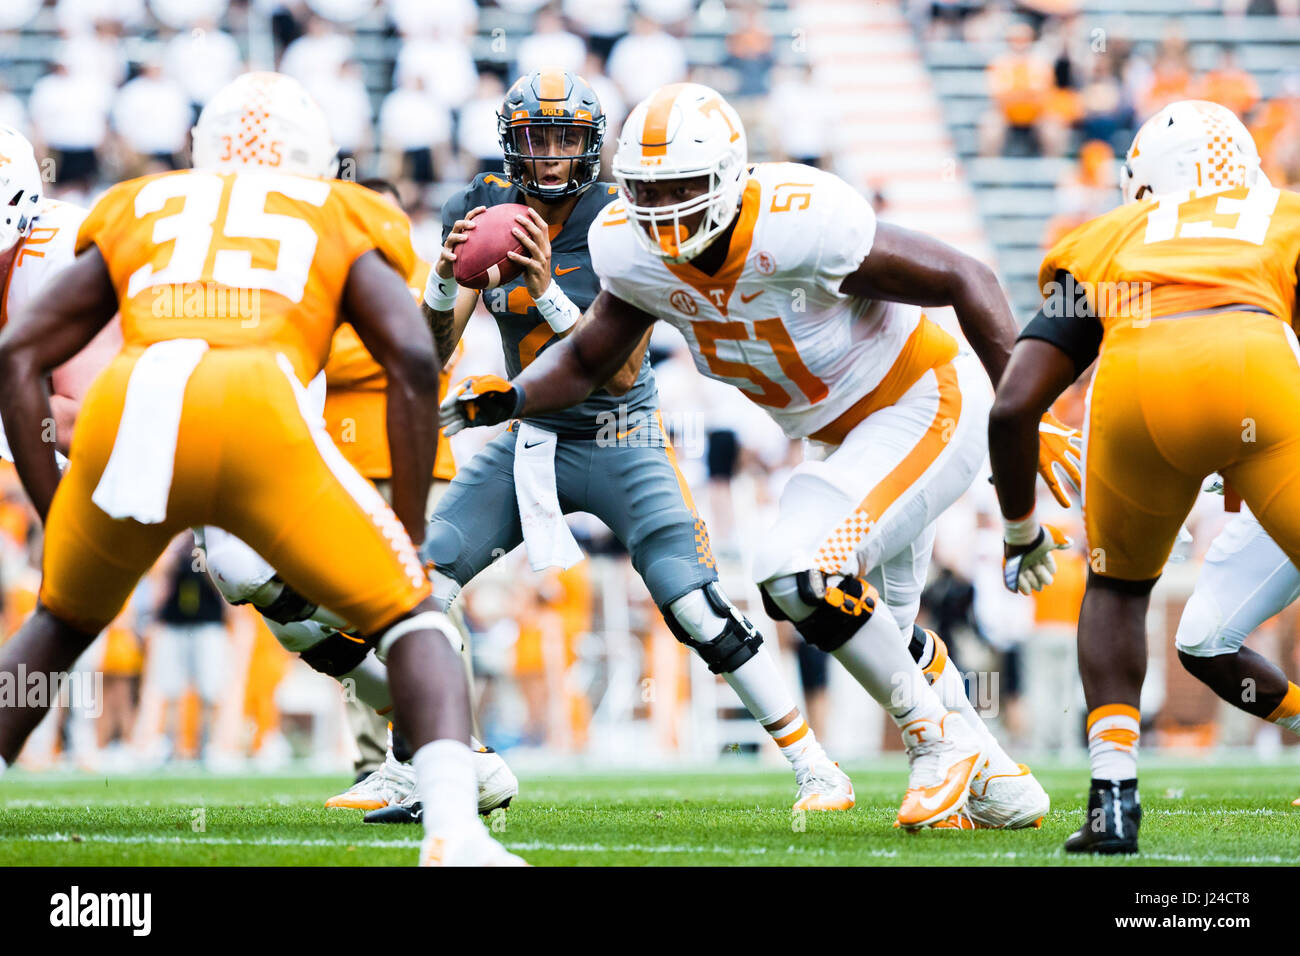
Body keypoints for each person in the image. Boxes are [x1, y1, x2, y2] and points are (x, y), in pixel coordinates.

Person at [442, 81, 1071, 830]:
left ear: (730, 176)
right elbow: (584, 361)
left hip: (921, 406)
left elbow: (967, 277)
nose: (666, 208)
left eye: (683, 186)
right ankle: (998, 777)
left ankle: (935, 741)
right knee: (878, 628)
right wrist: (512, 399)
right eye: (648, 190)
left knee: (794, 569)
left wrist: (1021, 414)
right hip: (844, 438)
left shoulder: (800, 221)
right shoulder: (630, 247)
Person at [0, 71, 521, 867]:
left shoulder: (143, 201)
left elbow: (18, 354)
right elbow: (415, 359)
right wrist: (410, 533)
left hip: (128, 411)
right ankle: (455, 830)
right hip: (253, 403)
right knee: (413, 616)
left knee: (58, 627)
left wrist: (58, 513)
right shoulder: (340, 209)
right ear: (317, 157)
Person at [422, 69, 856, 815]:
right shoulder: (484, 206)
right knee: (418, 588)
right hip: (529, 434)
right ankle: (435, 759)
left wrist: (545, 287)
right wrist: (438, 280)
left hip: (620, 433)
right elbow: (433, 349)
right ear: (512, 144)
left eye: (565, 139)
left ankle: (815, 764)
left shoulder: (619, 224)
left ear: (589, 147)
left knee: (696, 608)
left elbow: (619, 367)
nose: (552, 154)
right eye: (537, 139)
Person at [987, 100, 1300, 853]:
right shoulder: (1282, 215)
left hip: (1134, 385)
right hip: (1258, 368)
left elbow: (1012, 407)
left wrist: (1021, 530)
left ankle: (1113, 801)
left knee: (1119, 588)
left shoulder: (1107, 237)